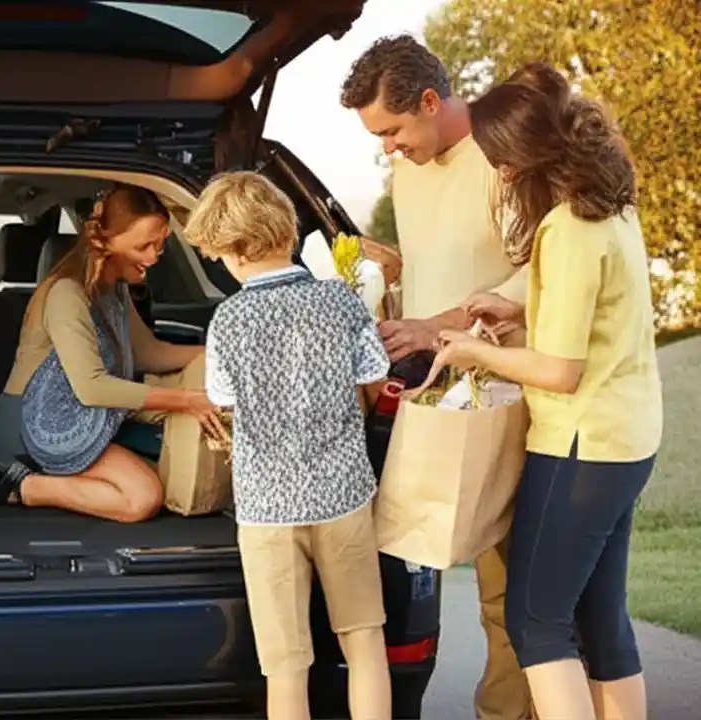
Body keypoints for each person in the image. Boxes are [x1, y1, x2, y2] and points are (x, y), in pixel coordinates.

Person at [425, 71, 661, 720]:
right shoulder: (612, 209)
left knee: (537, 626)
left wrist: (474, 351)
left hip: (578, 449)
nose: (499, 176)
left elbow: (559, 371)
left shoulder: (565, 228)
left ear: (524, 158)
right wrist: (514, 307)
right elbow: (596, 323)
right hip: (628, 441)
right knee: (601, 618)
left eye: (500, 161)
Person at [340, 35, 533, 720]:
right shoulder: (410, 171)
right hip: (440, 402)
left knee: (512, 595)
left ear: (430, 100)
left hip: (513, 399)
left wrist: (436, 326)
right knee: (433, 573)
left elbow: (540, 276)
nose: (387, 148)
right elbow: (437, 269)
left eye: (392, 130)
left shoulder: (506, 153)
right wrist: (394, 294)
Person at [185, 170, 392, 720]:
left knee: (284, 664)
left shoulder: (227, 320)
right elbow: (373, 371)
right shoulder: (339, 301)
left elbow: (222, 397)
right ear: (286, 229)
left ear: (231, 251)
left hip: (267, 509)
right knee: (365, 640)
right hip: (342, 494)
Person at [0, 183, 224, 522]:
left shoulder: (113, 291)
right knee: (143, 497)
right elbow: (92, 387)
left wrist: (218, 354)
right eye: (143, 246)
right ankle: (25, 488)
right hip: (31, 432)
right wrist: (186, 400)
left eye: (160, 245)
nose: (154, 257)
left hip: (84, 423)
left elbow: (148, 354)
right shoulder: (66, 294)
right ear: (105, 241)